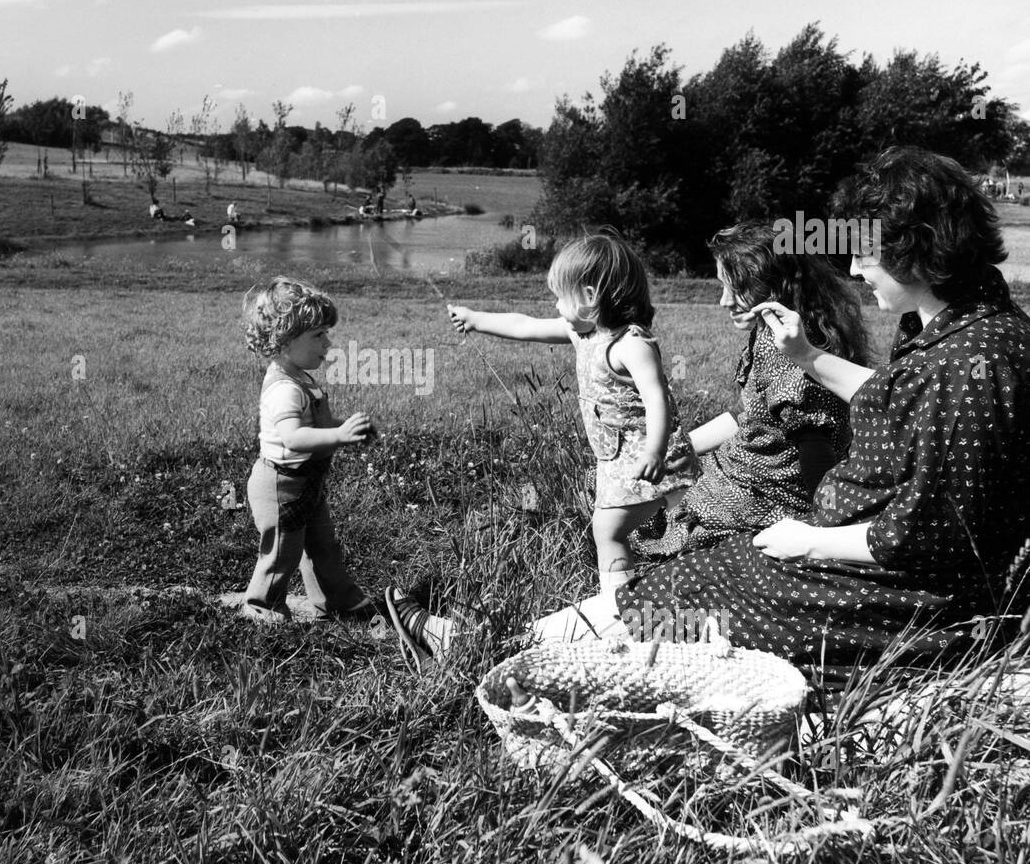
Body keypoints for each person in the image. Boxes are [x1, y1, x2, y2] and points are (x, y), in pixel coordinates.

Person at [613, 147, 1030, 692]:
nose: (854, 269)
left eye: (866, 254)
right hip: (874, 545)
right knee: (688, 577)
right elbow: (897, 395)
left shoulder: (962, 367)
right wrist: (808, 355)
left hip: (915, 590)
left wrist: (808, 540)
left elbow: (928, 535)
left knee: (661, 600)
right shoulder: (976, 324)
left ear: (918, 250)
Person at [387, 232, 700, 663]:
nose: (554, 307)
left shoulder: (631, 344)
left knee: (609, 531)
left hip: (645, 459)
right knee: (650, 529)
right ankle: (638, 608)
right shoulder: (585, 333)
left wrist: (654, 449)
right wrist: (476, 318)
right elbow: (525, 326)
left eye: (560, 296)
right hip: (620, 462)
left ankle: (625, 614)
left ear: (590, 295)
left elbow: (657, 398)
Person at [631, 221, 866, 561]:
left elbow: (815, 449)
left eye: (736, 288)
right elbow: (748, 415)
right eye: (723, 287)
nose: (725, 301)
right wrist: (682, 447)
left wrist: (820, 532)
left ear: (776, 285)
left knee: (635, 512)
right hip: (747, 472)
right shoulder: (782, 332)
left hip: (766, 495)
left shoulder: (784, 349)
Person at [226, 277, 377, 622]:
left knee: (322, 545)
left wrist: (345, 428)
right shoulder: (284, 388)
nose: (328, 341)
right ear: (285, 340)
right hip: (282, 487)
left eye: (327, 332)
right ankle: (261, 606)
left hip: (305, 484)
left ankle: (337, 599)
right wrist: (339, 435)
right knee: (283, 552)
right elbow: (294, 437)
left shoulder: (300, 377)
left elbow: (314, 425)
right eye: (318, 335)